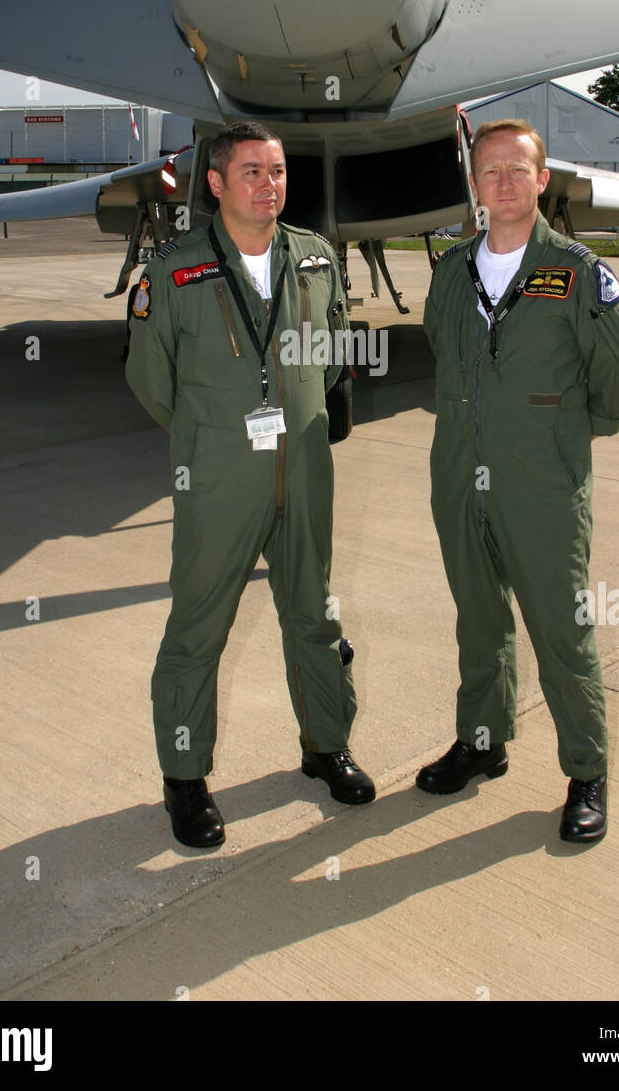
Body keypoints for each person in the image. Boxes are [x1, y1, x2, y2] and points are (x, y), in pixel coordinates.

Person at [125, 121, 374, 848]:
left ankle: (326, 747)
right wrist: (211, 436)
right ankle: (185, 779)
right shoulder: (173, 271)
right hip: (219, 476)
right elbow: (151, 380)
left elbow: (331, 357)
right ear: (216, 182)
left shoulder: (317, 259)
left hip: (302, 469)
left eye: (279, 171)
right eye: (253, 172)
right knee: (198, 629)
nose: (271, 185)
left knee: (315, 614)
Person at [418, 118, 619, 842]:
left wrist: (564, 438)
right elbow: (443, 359)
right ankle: (482, 744)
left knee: (561, 629)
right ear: (475, 183)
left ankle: (586, 769)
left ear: (543, 180)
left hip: (542, 487)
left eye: (520, 170)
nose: (505, 183)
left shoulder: (579, 273)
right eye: (491, 171)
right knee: (478, 620)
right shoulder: (450, 273)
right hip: (459, 478)